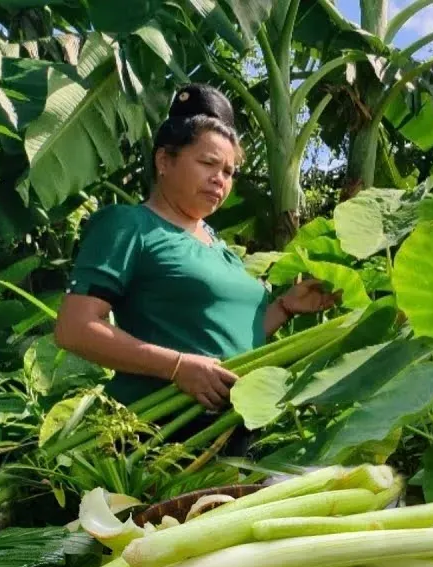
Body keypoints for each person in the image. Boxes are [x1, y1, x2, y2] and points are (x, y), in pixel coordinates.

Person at [55, 84, 338, 415]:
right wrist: (176, 367)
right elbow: (74, 328)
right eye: (208, 163)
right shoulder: (129, 225)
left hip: (234, 430)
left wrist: (284, 308)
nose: (220, 179)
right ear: (164, 159)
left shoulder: (220, 247)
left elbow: (222, 339)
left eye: (229, 172)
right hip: (163, 432)